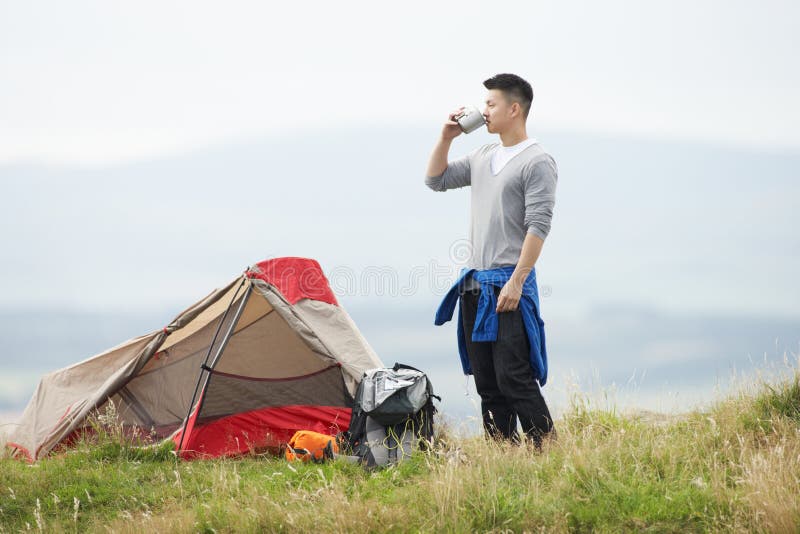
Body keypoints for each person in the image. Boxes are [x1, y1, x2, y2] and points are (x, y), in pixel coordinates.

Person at [425, 73, 558, 448]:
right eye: (484, 104)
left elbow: (538, 226)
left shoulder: (537, 161)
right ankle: (502, 458)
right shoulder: (483, 156)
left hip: (509, 283)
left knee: (514, 376)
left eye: (491, 104)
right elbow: (435, 180)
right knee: (487, 381)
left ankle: (548, 452)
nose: (484, 111)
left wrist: (517, 281)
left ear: (514, 109)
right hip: (474, 283)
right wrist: (446, 138)